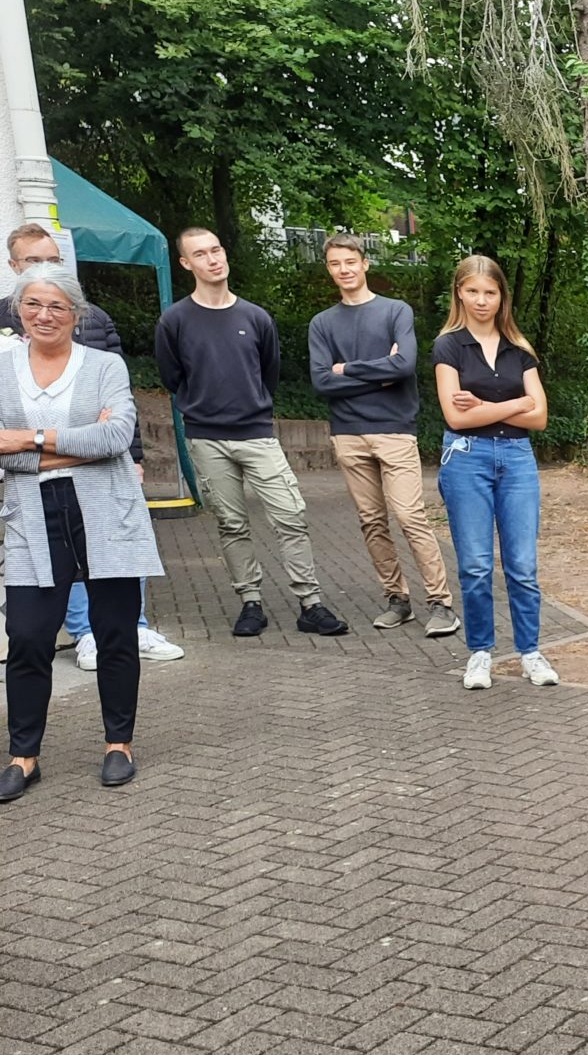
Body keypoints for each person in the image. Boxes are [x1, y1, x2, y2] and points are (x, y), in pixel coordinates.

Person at [0, 266, 163, 798]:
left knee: (115, 631)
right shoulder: (2, 368)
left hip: (106, 512)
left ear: (76, 314)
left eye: (57, 306)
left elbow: (116, 437)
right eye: (33, 304)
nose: (44, 315)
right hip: (32, 515)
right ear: (18, 310)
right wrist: (75, 446)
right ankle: (24, 756)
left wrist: (29, 439)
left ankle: (119, 744)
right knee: (28, 635)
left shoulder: (105, 365)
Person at [155, 227, 348, 639]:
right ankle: (250, 602)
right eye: (201, 254)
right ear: (186, 263)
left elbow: (268, 373)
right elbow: (172, 377)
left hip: (257, 434)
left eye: (216, 250)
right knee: (231, 523)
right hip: (206, 438)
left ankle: (310, 604)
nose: (213, 259)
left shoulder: (255, 317)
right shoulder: (174, 321)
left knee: (291, 514)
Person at [2, 225, 182, 668]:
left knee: (115, 552)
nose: (46, 268)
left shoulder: (95, 319)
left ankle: (133, 627)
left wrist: (128, 454)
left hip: (102, 474)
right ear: (14, 266)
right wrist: (91, 446)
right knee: (52, 568)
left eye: (53, 259)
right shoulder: (6, 323)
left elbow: (119, 415)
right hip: (30, 491)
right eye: (34, 261)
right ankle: (84, 633)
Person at [308, 233, 459, 638]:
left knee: (410, 516)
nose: (344, 269)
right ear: (329, 269)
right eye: (335, 263)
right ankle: (397, 600)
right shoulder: (322, 323)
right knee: (372, 522)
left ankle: (441, 603)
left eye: (350, 261)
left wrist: (346, 369)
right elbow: (321, 382)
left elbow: (404, 366)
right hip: (348, 435)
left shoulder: (395, 311)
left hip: (395, 431)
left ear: (364, 263)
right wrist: (380, 372)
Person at [431, 256, 556, 690]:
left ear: (502, 296)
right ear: (459, 293)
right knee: (476, 565)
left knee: (522, 565)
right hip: (467, 457)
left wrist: (484, 406)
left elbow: (540, 418)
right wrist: (517, 403)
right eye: (473, 291)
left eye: (490, 292)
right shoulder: (448, 347)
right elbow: (456, 417)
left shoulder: (520, 350)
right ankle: (480, 653)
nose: (481, 300)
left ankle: (530, 652)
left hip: (517, 459)